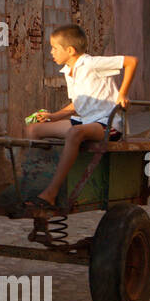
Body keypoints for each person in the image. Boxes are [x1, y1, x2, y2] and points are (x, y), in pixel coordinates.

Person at [23, 24, 138, 212]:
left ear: (70, 50)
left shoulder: (91, 63)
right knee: (33, 130)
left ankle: (51, 192)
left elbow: (131, 61)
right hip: (85, 121)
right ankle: (38, 182)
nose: (51, 52)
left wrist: (122, 94)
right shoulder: (69, 71)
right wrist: (53, 116)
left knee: (75, 133)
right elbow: (78, 104)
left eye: (55, 48)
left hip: (107, 124)